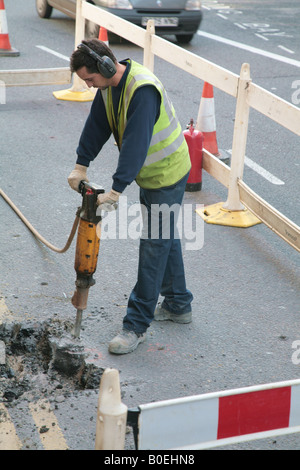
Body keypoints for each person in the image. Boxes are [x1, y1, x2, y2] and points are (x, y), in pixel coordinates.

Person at [68, 38, 193, 354]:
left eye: (90, 79)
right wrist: (80, 166)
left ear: (106, 67)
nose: (90, 85)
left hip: (167, 174)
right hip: (152, 175)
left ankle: (135, 325)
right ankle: (178, 305)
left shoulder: (142, 91)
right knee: (163, 238)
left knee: (153, 246)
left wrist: (115, 190)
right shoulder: (108, 88)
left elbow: (136, 145)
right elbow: (97, 125)